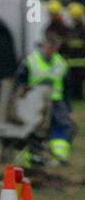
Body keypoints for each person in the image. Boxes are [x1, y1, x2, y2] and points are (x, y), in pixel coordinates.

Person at [15, 32, 75, 165]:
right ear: (43, 46)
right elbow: (19, 82)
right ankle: (33, 157)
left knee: (65, 127)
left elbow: (66, 88)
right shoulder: (31, 61)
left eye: (55, 47)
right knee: (35, 129)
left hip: (56, 101)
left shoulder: (61, 63)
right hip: (34, 102)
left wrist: (69, 109)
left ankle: (58, 157)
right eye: (50, 46)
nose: (52, 50)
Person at [63, 3, 85, 101]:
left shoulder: (77, 30)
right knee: (76, 81)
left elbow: (72, 44)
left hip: (77, 60)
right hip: (76, 60)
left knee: (76, 81)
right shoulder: (76, 29)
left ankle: (77, 97)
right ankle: (77, 96)